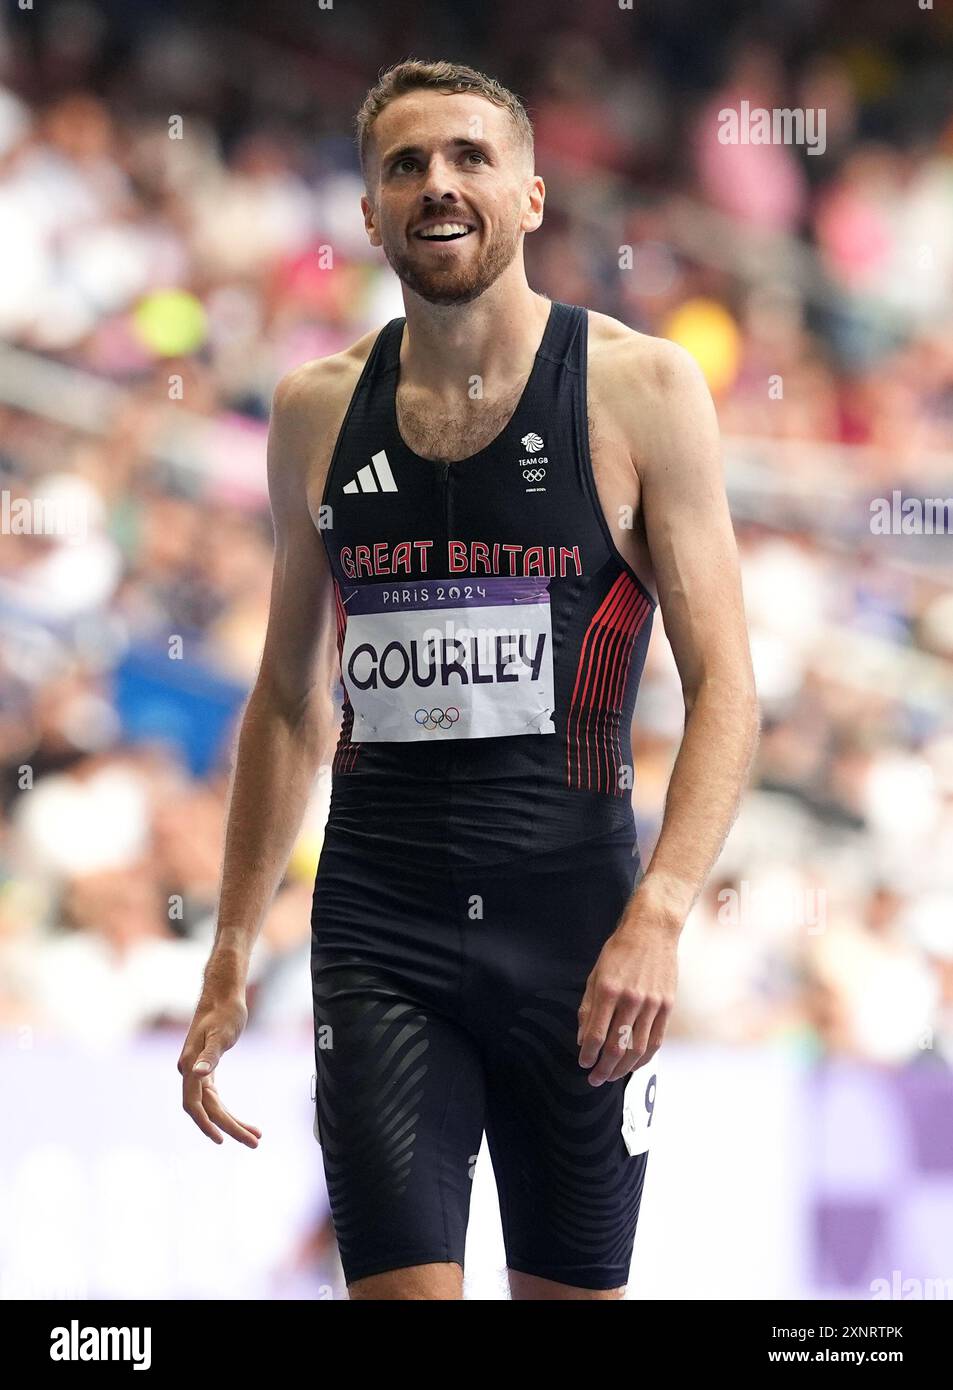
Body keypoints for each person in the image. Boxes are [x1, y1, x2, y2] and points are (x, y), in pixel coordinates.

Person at [178, 59, 760, 1301]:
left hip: (578, 938)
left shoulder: (639, 389)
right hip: (378, 936)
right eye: (403, 165)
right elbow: (287, 697)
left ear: (532, 196)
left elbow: (725, 687)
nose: (436, 184)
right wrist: (231, 943)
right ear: (368, 216)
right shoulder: (313, 410)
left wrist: (658, 912)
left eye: (466, 157)